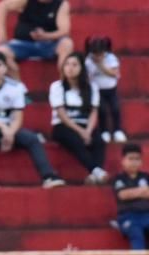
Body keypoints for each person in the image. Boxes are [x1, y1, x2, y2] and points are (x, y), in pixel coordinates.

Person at [0, 54, 63, 189]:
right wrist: (2, 127)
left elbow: (18, 118)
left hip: (8, 127)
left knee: (32, 138)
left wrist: (10, 133)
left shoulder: (15, 87)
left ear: (5, 68)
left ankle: (48, 176)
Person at [47, 54, 107, 184]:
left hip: (85, 124)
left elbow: (93, 112)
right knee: (75, 139)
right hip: (64, 125)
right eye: (67, 64)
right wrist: (81, 132)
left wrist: (88, 131)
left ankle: (93, 176)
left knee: (98, 140)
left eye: (74, 65)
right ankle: (96, 170)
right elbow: (61, 114)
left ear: (82, 68)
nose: (70, 68)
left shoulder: (91, 87)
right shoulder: (57, 86)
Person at [0, 0, 74, 80]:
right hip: (22, 44)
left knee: (67, 44)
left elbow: (64, 31)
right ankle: (18, 85)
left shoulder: (61, 4)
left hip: (48, 44)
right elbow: (1, 7)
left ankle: (64, 84)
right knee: (2, 51)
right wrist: (2, 35)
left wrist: (45, 36)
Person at [84, 37, 125, 141]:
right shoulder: (88, 60)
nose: (98, 57)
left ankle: (117, 130)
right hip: (97, 90)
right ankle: (104, 131)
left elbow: (114, 73)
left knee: (115, 108)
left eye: (100, 54)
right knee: (102, 110)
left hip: (111, 89)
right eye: (95, 54)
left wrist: (101, 65)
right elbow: (87, 77)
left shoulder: (111, 58)